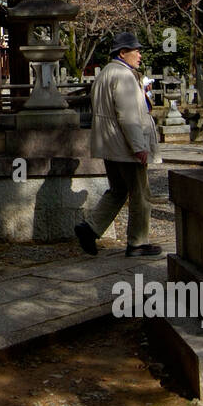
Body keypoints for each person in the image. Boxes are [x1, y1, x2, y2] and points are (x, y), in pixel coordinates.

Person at [75, 31, 161, 258]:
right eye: (136, 51)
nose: (140, 55)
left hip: (109, 144)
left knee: (118, 190)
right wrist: (139, 146)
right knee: (140, 193)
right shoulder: (123, 76)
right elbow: (128, 115)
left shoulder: (104, 74)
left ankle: (90, 228)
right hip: (125, 146)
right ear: (123, 53)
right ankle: (138, 242)